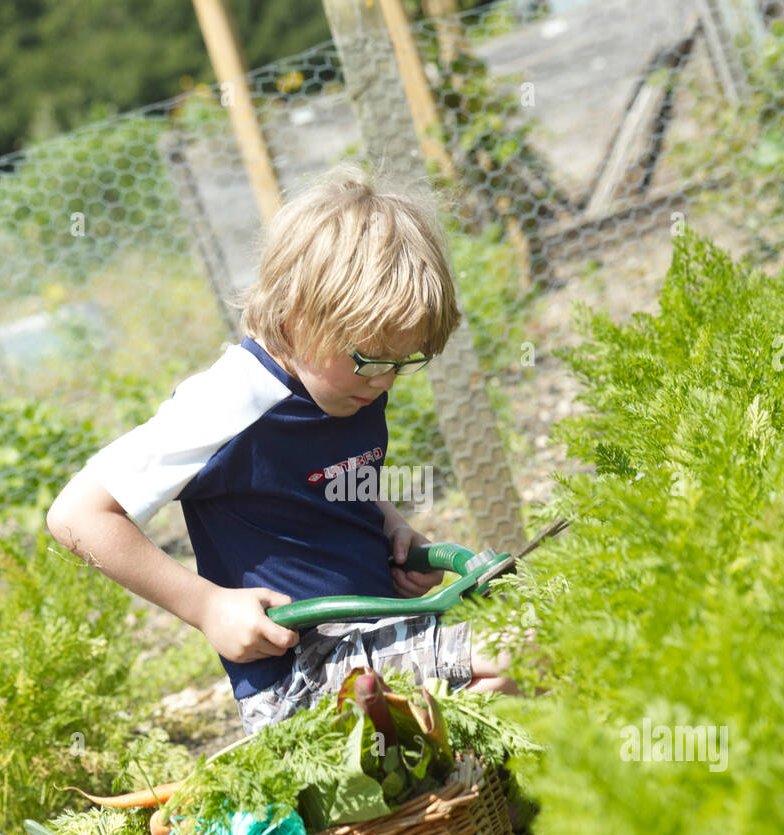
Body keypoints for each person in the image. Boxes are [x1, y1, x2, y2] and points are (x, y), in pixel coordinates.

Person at [46, 161, 516, 736]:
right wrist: (206, 607)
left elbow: (323, 478)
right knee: (512, 654)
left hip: (375, 632)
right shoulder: (228, 401)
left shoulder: (346, 382)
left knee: (513, 660)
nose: (386, 382)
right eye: (372, 360)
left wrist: (390, 527)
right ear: (297, 316)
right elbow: (75, 516)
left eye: (404, 363)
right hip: (302, 673)